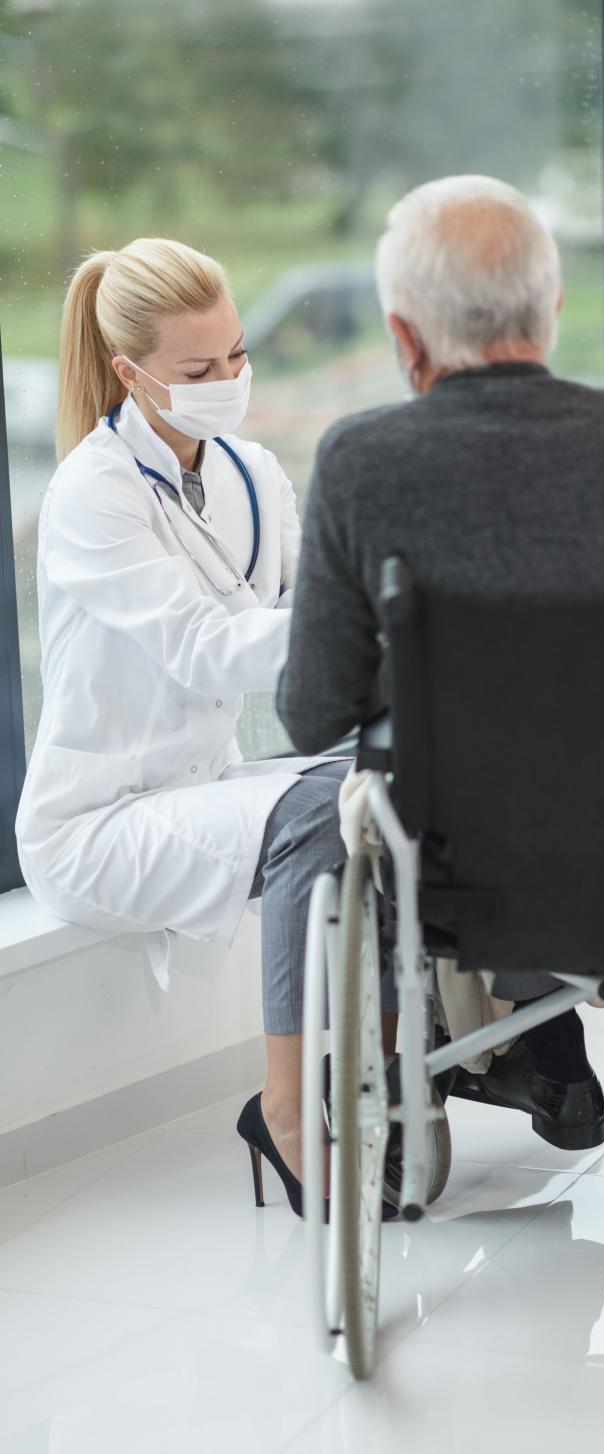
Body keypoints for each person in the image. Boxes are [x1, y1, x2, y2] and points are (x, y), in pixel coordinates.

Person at [277, 175, 604, 1150]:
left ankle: (538, 1048)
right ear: (550, 311)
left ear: (404, 338)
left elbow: (311, 713)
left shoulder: (360, 461)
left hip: (479, 879)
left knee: (402, 798)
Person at [15, 238, 351, 1217]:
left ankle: (397, 1071)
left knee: (388, 781)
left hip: (202, 787)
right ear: (129, 371)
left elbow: (304, 631)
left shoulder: (254, 475)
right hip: (96, 825)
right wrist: (358, 620)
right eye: (199, 371)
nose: (229, 382)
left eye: (238, 356)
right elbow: (212, 649)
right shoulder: (91, 493)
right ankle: (287, 1108)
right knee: (322, 810)